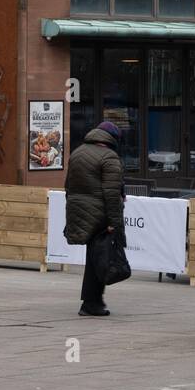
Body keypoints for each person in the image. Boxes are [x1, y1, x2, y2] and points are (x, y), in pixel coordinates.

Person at [64, 120, 125, 316]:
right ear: (112, 140)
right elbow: (112, 194)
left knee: (94, 255)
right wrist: (115, 223)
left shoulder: (78, 152)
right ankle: (91, 303)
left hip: (79, 211)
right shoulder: (109, 157)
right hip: (99, 213)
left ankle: (93, 301)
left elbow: (68, 185)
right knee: (100, 256)